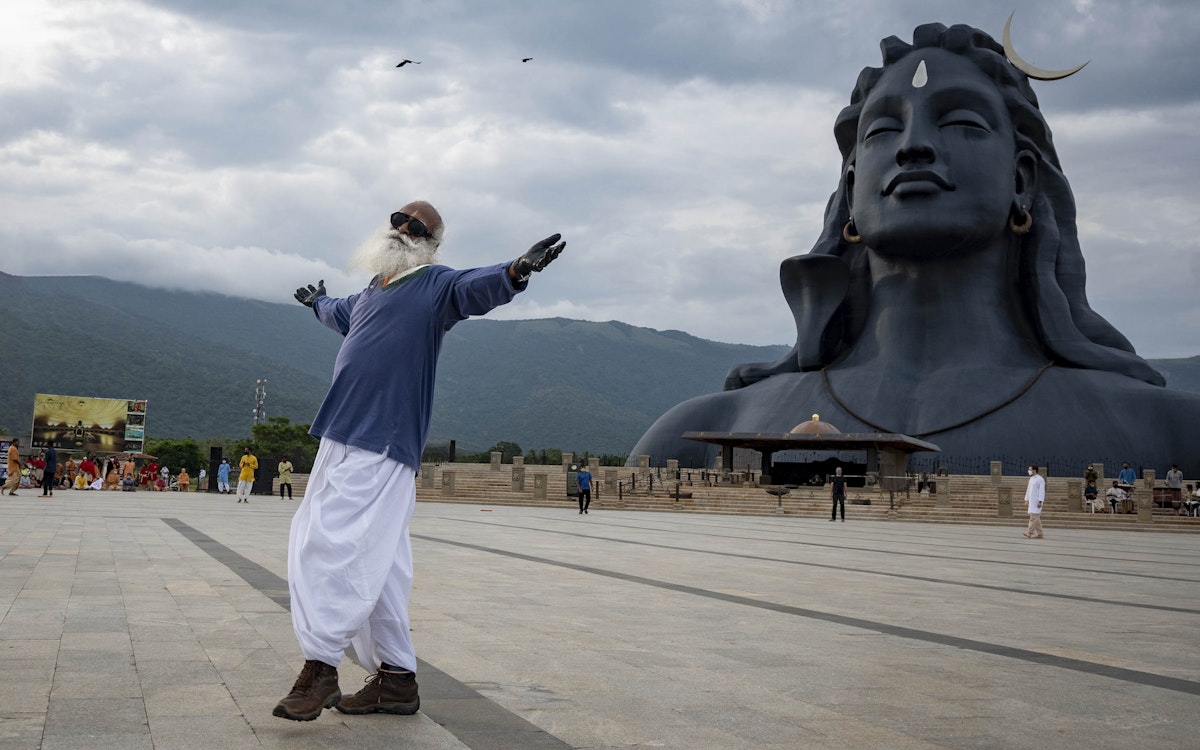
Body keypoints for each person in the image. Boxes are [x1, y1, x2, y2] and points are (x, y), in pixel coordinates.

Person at [629, 22, 1200, 477]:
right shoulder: (701, 430)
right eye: (882, 130)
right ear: (851, 187)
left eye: (962, 121)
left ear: (1022, 179)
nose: (915, 146)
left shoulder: (1173, 432)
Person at [272, 200, 565, 722]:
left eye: (418, 227)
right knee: (380, 565)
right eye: (398, 220)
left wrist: (516, 271)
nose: (404, 229)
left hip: (382, 441)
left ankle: (319, 667)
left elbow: (476, 288)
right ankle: (397, 680)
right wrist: (316, 302)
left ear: (431, 243)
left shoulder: (436, 287)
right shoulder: (369, 293)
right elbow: (334, 312)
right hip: (337, 434)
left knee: (324, 546)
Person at [1022, 465, 1045, 539]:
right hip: (1031, 501)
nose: (1029, 471)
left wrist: (1040, 501)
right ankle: (1040, 534)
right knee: (1036, 519)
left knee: (1033, 518)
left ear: (1035, 470)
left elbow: (1042, 491)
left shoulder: (1040, 479)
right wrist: (1026, 500)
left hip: (1037, 502)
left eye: (1030, 469)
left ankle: (1029, 532)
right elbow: (1028, 490)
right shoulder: (1031, 479)